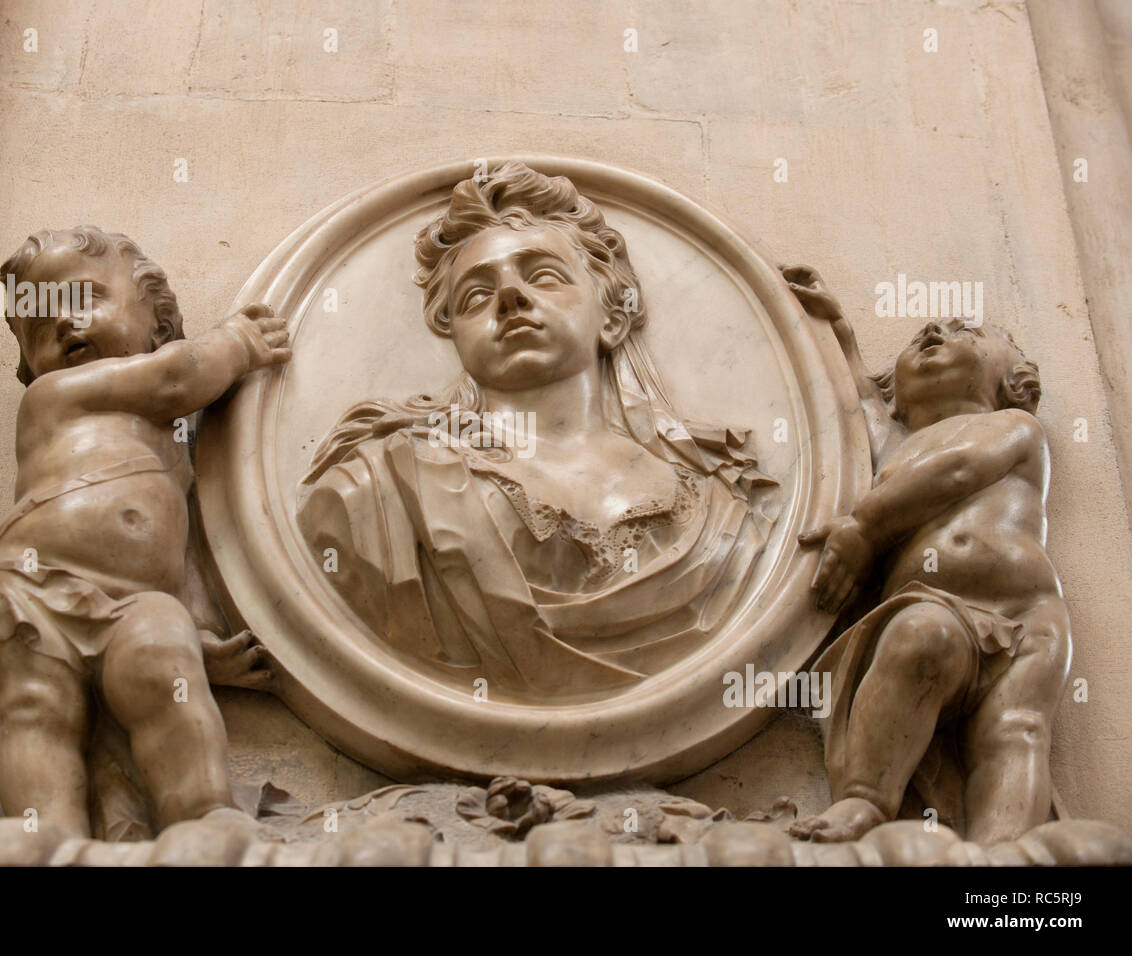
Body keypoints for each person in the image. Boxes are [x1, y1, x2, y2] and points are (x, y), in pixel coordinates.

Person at [298, 163, 777, 698]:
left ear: (612, 318)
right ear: (453, 335)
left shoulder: (719, 512)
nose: (509, 297)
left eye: (543, 276)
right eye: (476, 296)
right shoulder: (376, 495)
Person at [0, 226, 288, 837]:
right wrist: (237, 344)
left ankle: (202, 816)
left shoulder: (172, 452)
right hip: (29, 589)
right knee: (37, 710)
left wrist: (201, 641)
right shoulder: (57, 396)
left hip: (134, 603)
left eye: (83, 301)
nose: (66, 327)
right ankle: (44, 832)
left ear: (158, 320)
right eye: (42, 330)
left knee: (167, 677)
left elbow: (177, 553)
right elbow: (178, 380)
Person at [784, 265, 1070, 843]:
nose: (935, 328)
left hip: (1028, 614)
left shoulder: (1011, 427)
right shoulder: (894, 444)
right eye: (919, 339)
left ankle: (1003, 853)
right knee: (916, 641)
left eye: (963, 329)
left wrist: (865, 529)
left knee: (1015, 729)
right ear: (897, 392)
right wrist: (837, 330)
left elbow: (958, 470)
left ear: (1012, 383)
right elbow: (854, 403)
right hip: (935, 606)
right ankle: (864, 800)